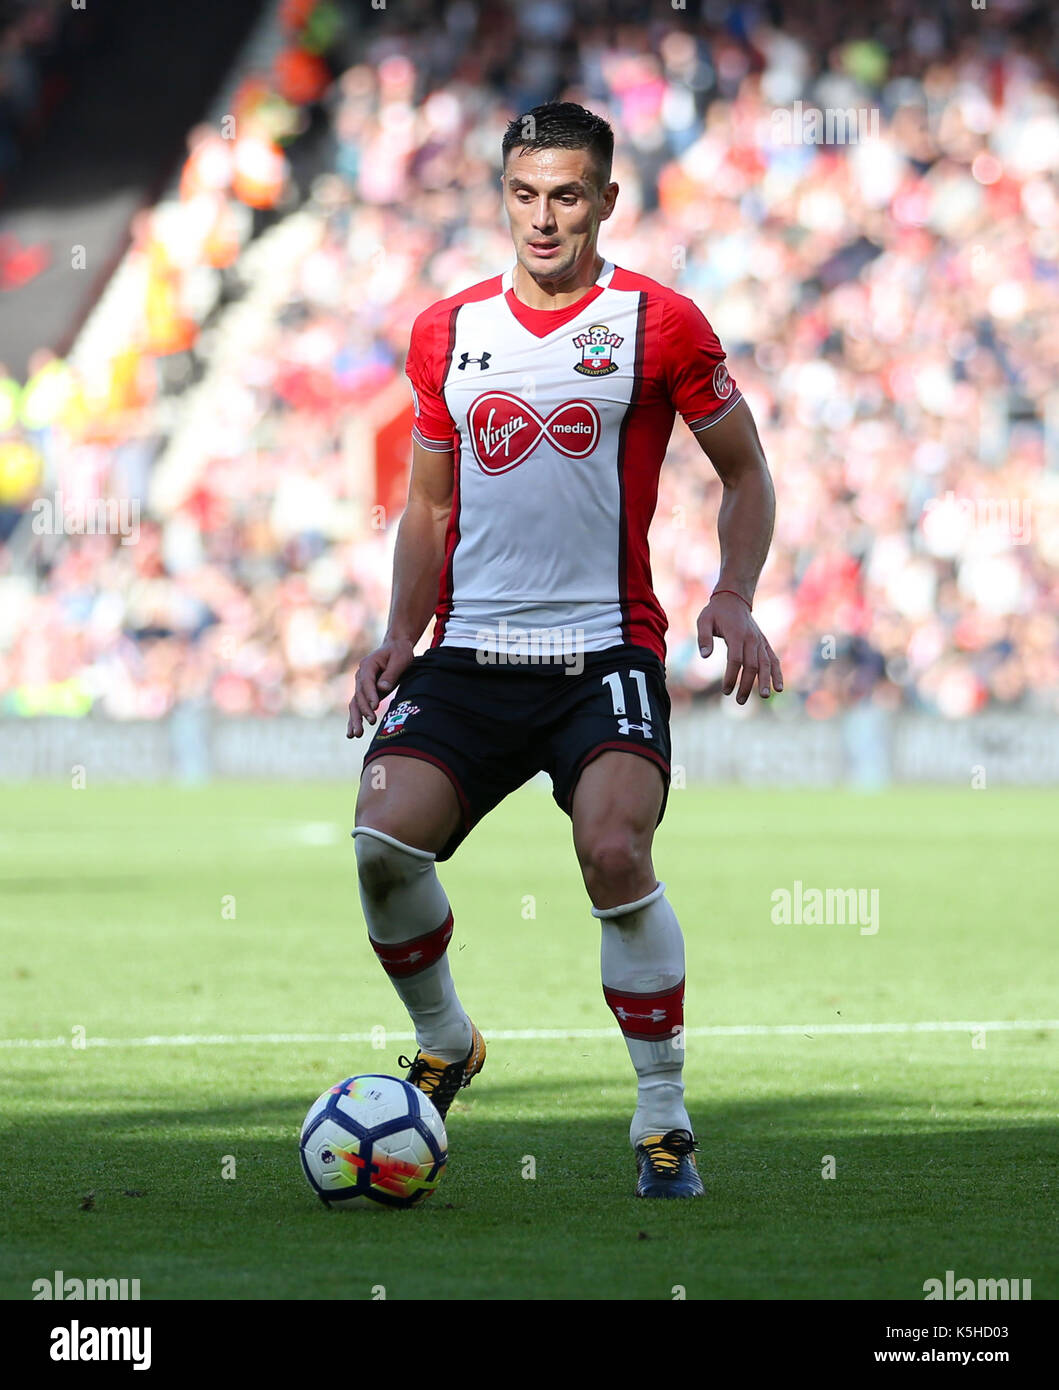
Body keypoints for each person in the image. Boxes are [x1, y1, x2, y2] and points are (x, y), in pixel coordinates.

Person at [346, 102, 782, 1198]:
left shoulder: (660, 323)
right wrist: (398, 634)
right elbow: (427, 506)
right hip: (470, 652)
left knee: (615, 851)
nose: (543, 219)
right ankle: (447, 1042)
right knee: (381, 844)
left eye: (567, 196)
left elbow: (745, 472)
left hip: (604, 651)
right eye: (524, 195)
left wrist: (733, 594)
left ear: (607, 201)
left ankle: (662, 1120)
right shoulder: (446, 331)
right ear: (503, 197)